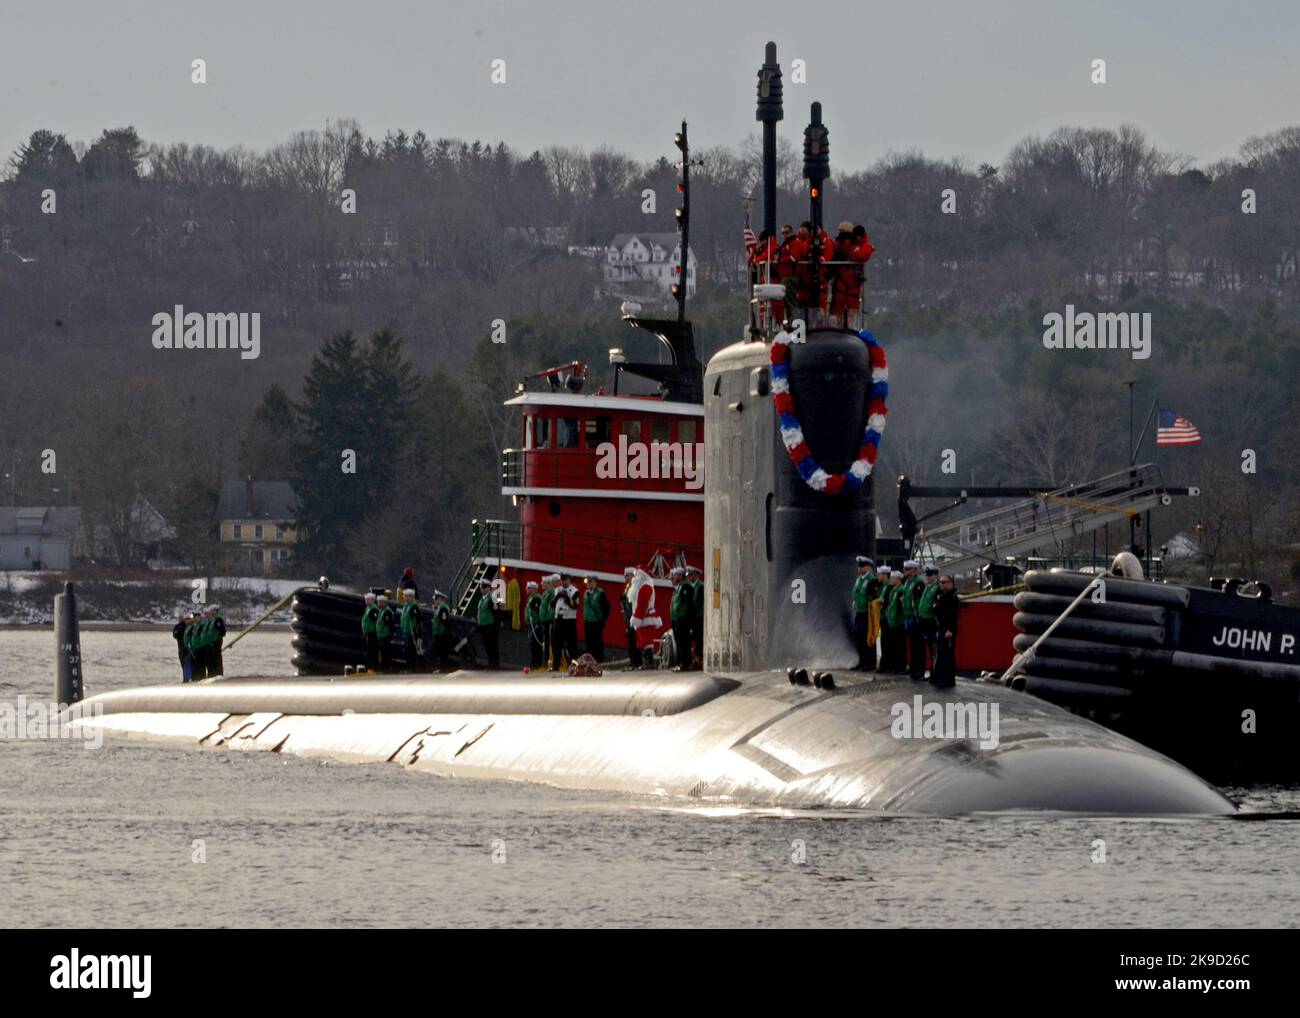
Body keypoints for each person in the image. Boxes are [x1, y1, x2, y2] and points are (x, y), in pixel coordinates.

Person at [628, 565, 664, 669]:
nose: (635, 577)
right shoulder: (642, 587)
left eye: (637, 575)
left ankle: (649, 662)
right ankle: (647, 662)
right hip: (642, 618)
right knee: (643, 641)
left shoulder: (645, 587)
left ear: (641, 575)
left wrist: (636, 618)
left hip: (645, 617)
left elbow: (642, 605)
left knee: (647, 641)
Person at [930, 574, 960, 688]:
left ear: (950, 583)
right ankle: (939, 677)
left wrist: (950, 630)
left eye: (944, 582)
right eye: (940, 582)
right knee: (941, 654)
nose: (941, 584)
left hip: (948, 630)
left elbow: (954, 615)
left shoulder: (953, 597)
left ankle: (948, 680)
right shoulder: (941, 596)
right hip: (941, 628)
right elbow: (936, 610)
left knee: (948, 655)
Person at [851, 555, 879, 671]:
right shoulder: (859, 580)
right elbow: (856, 593)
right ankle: (862, 661)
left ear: (868, 567)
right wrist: (855, 602)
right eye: (859, 566)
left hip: (868, 613)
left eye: (862, 566)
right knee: (859, 637)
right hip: (859, 612)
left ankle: (870, 663)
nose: (859, 568)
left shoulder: (872, 580)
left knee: (868, 638)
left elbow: (873, 597)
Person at [900, 560, 927, 679]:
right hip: (907, 616)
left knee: (918, 645)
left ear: (914, 570)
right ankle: (913, 668)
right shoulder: (907, 583)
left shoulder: (918, 583)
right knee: (912, 645)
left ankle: (919, 670)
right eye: (905, 569)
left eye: (907, 569)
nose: (905, 571)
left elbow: (918, 600)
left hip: (915, 616)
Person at [917, 564, 941, 678]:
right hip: (923, 621)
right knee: (922, 649)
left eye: (930, 574)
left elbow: (937, 605)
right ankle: (922, 672)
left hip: (931, 622)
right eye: (927, 574)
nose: (927, 576)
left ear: (935, 575)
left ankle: (934, 674)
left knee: (933, 650)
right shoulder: (927, 586)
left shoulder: (937, 588)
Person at [552, 574, 579, 669]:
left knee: (571, 645)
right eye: (562, 580)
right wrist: (557, 597)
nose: (563, 582)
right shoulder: (557, 590)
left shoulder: (574, 591)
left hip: (569, 620)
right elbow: (553, 604)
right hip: (558, 619)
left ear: (569, 580)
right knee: (557, 645)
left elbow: (576, 605)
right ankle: (555, 666)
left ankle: (574, 666)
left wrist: (566, 597)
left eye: (565, 580)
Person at [882, 569, 906, 674]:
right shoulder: (892, 590)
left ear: (898, 579)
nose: (891, 580)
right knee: (893, 646)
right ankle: (894, 666)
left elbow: (901, 607)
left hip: (899, 622)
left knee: (899, 646)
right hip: (891, 621)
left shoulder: (901, 590)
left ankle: (900, 666)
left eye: (893, 578)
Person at [581, 575, 609, 663]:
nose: (588, 584)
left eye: (591, 582)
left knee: (597, 643)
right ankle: (590, 662)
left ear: (595, 582)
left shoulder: (600, 593)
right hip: (588, 622)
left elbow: (606, 608)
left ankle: (599, 661)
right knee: (589, 643)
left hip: (597, 622)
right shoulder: (586, 593)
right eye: (587, 582)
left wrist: (603, 620)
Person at [669, 567, 692, 671]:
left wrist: (681, 616)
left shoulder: (686, 587)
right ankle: (680, 663)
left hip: (683, 620)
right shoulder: (677, 589)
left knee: (684, 642)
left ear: (680, 576)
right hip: (676, 619)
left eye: (674, 575)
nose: (672, 577)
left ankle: (684, 663)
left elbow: (687, 605)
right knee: (679, 641)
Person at [399, 587, 425, 669]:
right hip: (406, 631)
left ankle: (413, 667)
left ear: (412, 597)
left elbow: (419, 619)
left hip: (411, 632)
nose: (405, 597)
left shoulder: (414, 606)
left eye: (407, 596)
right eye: (405, 596)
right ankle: (408, 667)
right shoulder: (406, 605)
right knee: (407, 650)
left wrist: (415, 629)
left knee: (411, 651)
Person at [476, 578, 499, 669]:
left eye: (484, 587)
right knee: (487, 646)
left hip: (490, 626)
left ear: (489, 588)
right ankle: (490, 663)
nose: (481, 588)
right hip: (483, 626)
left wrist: (495, 626)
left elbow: (497, 613)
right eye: (481, 587)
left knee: (492, 646)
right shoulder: (481, 599)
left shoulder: (492, 599)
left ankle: (494, 665)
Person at [619, 567, 638, 670]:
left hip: (634, 618)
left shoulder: (635, 588)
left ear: (632, 576)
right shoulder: (627, 588)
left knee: (635, 641)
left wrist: (626, 602)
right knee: (630, 642)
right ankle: (632, 662)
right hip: (628, 618)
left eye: (627, 575)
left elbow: (634, 603)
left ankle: (637, 662)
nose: (625, 577)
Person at [430, 589, 452, 671]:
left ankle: (442, 668)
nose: (434, 600)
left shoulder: (443, 609)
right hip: (438, 633)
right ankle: (441, 668)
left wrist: (445, 632)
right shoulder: (439, 608)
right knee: (439, 652)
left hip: (441, 634)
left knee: (441, 652)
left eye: (436, 598)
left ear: (441, 599)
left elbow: (445, 621)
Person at [687, 565, 705, 669]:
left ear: (697, 575)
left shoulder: (700, 586)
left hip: (699, 616)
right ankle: (697, 658)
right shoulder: (692, 587)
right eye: (689, 575)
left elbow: (698, 602)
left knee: (699, 638)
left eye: (692, 575)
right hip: (694, 617)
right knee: (695, 638)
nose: (690, 577)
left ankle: (700, 659)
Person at [524, 580, 544, 670]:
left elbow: (539, 611)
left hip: (535, 624)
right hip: (530, 624)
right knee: (532, 645)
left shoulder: (537, 598)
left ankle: (537, 664)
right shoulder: (530, 598)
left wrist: (538, 623)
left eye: (528, 588)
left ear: (533, 589)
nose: (526, 589)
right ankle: (533, 663)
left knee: (536, 645)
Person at [539, 573, 557, 669]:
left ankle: (551, 662)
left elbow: (551, 608)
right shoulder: (545, 593)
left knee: (550, 642)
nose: (541, 584)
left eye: (543, 582)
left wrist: (550, 619)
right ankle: (546, 661)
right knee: (545, 643)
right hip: (544, 621)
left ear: (548, 583)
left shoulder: (551, 593)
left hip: (548, 621)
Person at [375, 593, 395, 672]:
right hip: (380, 635)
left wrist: (390, 634)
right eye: (378, 602)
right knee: (382, 653)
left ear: (385, 602)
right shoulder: (380, 611)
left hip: (386, 635)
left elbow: (390, 624)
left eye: (380, 602)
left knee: (386, 653)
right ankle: (383, 667)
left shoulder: (387, 611)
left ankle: (386, 668)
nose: (379, 604)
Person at [361, 592, 380, 672]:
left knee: (373, 650)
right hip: (368, 632)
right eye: (366, 599)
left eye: (368, 599)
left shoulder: (374, 609)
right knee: (369, 650)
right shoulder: (367, 608)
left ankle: (374, 667)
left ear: (372, 600)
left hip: (373, 632)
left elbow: (376, 620)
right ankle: (370, 667)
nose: (366, 601)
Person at [207, 604, 226, 677]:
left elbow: (222, 630)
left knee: (217, 657)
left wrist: (218, 637)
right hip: (212, 641)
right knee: (213, 657)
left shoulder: (218, 619)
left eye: (212, 610)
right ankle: (214, 672)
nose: (211, 612)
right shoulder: (212, 620)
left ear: (215, 611)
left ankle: (219, 672)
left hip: (217, 640)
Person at [173, 609, 191, 682]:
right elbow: (175, 635)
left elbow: (180, 634)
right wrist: (178, 634)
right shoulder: (177, 626)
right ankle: (185, 678)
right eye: (179, 617)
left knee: (187, 663)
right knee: (182, 664)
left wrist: (178, 633)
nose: (180, 618)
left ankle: (187, 678)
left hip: (186, 648)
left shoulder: (186, 625)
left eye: (181, 617)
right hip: (180, 648)